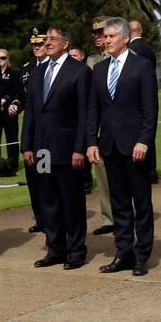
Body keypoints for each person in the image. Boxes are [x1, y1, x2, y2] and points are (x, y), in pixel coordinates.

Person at [87, 17, 158, 276]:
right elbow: (93, 110)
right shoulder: (99, 69)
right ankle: (123, 253)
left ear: (125, 38)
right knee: (119, 204)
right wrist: (91, 142)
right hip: (109, 146)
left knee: (141, 202)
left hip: (135, 146)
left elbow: (150, 110)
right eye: (105, 37)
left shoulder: (141, 67)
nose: (106, 41)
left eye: (112, 36)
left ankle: (142, 255)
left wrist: (143, 141)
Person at [23, 26, 92, 269]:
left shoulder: (80, 72)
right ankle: (55, 248)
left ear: (65, 43)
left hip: (67, 149)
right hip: (41, 149)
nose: (48, 42)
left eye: (53, 39)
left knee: (70, 201)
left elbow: (85, 114)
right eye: (46, 39)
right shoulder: (37, 72)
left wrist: (79, 148)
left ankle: (76, 250)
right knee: (48, 201)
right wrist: (26, 145)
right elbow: (31, 112)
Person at [85, 17, 116, 236]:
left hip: (121, 128)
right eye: (95, 34)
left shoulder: (124, 57)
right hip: (101, 128)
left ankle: (125, 214)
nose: (98, 37)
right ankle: (109, 217)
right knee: (102, 174)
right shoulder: (92, 61)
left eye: (102, 33)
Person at [17, 28, 50, 233]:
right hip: (31, 131)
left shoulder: (53, 68)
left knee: (46, 177)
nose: (37, 47)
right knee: (33, 179)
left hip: (49, 135)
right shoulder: (27, 69)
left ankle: (50, 218)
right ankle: (40, 218)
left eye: (41, 43)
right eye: (34, 44)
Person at [128, 19, 158, 184]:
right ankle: (152, 172)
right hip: (150, 93)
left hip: (136, 98)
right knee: (149, 136)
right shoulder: (149, 49)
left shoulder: (131, 50)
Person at [0, 47, 22, 176]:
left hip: (9, 111)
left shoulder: (14, 73)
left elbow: (18, 91)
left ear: (7, 59)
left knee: (11, 138)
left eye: (2, 58)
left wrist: (5, 99)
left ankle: (13, 164)